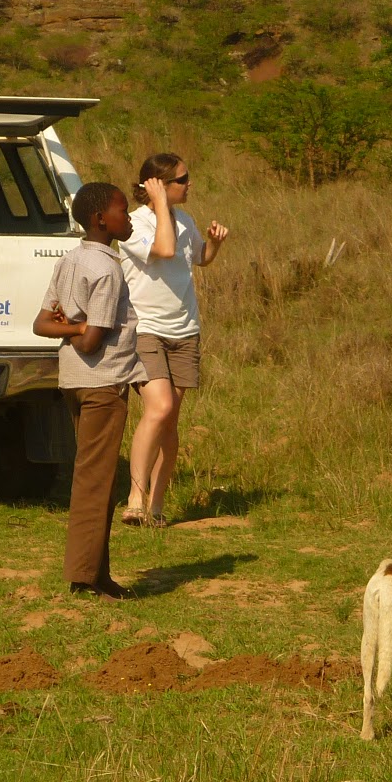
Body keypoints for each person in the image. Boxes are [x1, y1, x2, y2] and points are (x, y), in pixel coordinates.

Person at [32, 182, 143, 600]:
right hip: (103, 384)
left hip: (74, 381)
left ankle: (98, 574)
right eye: (122, 211)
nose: (128, 217)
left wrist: (70, 324)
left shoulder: (69, 260)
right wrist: (80, 328)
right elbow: (91, 340)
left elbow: (43, 324)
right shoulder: (107, 268)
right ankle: (84, 575)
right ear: (100, 219)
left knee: (95, 476)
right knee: (96, 481)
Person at [117, 154, 228, 528]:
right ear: (159, 185)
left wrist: (213, 244)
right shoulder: (134, 224)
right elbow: (163, 250)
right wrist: (161, 204)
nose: (189, 184)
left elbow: (199, 259)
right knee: (159, 408)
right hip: (146, 329)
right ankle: (135, 497)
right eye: (182, 179)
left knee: (170, 420)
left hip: (184, 331)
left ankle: (157, 506)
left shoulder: (185, 221)